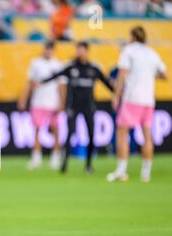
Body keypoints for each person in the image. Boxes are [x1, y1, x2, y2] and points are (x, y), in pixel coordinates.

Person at [40, 41, 113, 174]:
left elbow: (107, 83)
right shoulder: (71, 67)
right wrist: (42, 81)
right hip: (73, 107)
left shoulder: (94, 69)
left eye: (82, 49)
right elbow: (56, 75)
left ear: (87, 51)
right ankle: (64, 163)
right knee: (70, 134)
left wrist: (118, 93)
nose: (79, 52)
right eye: (78, 49)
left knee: (91, 135)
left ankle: (89, 165)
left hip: (89, 106)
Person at [107, 26, 167, 183]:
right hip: (148, 100)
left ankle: (121, 171)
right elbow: (165, 75)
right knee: (147, 136)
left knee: (122, 132)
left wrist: (116, 95)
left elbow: (122, 74)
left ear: (133, 36)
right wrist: (148, 74)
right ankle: (146, 173)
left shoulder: (129, 51)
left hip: (132, 98)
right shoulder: (152, 53)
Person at [18, 41, 65, 170]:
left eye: (51, 49)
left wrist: (62, 102)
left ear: (53, 50)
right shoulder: (36, 63)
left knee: (55, 130)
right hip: (38, 102)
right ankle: (36, 158)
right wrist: (23, 99)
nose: (48, 51)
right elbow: (30, 83)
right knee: (37, 130)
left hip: (53, 103)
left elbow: (61, 85)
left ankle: (55, 157)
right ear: (44, 49)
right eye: (47, 49)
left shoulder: (58, 65)